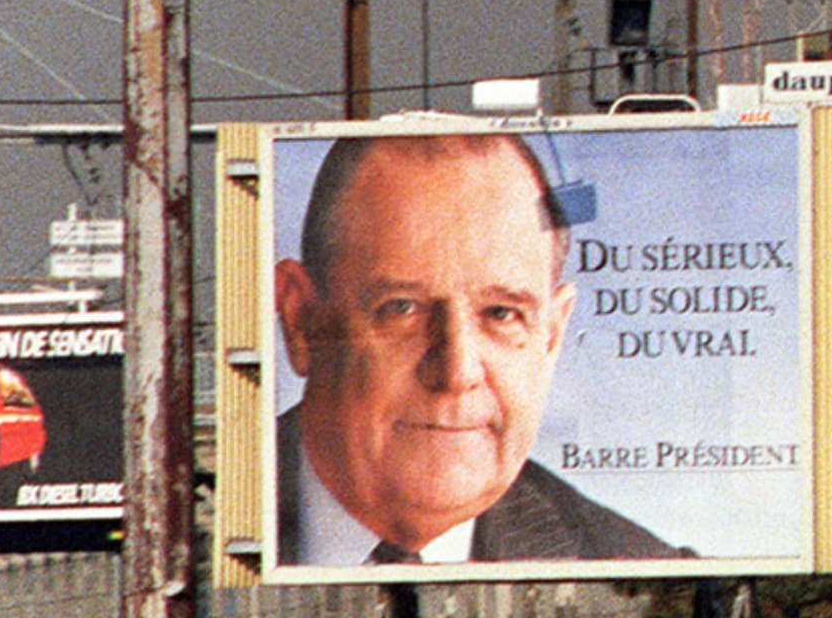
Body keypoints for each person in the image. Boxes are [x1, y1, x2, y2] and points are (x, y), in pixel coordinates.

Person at [272, 132, 681, 565]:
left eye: (501, 314)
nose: (456, 372)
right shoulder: (200, 521)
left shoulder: (639, 570)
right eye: (402, 308)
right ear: (302, 323)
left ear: (552, 337)